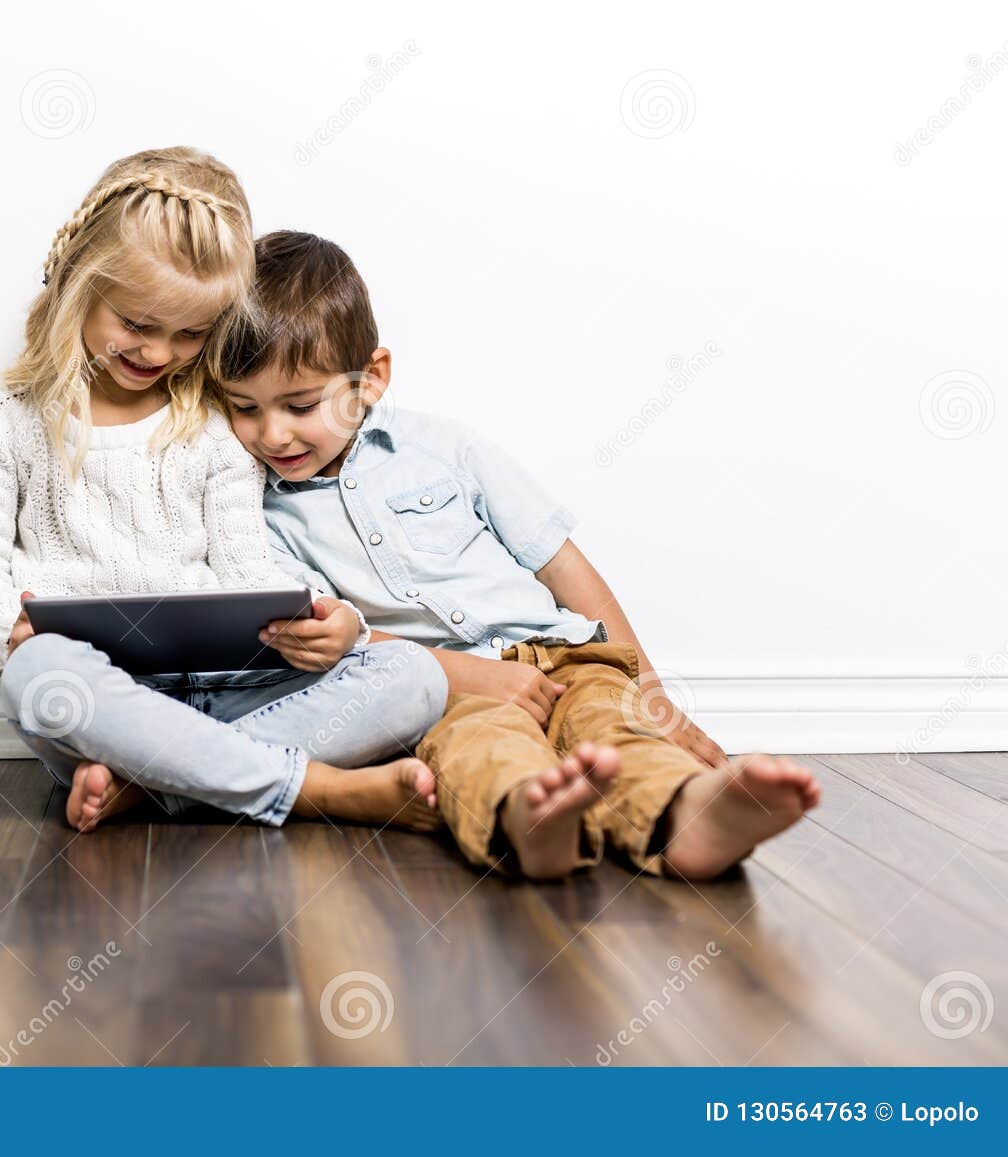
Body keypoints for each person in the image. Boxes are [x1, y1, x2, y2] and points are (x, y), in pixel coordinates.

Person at [218, 230, 820, 879]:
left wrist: (651, 692)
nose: (272, 432)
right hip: (449, 693)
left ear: (371, 379)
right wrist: (469, 676)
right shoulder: (259, 515)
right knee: (480, 750)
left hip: (564, 659)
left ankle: (691, 815)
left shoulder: (445, 450)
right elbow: (344, 637)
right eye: (244, 408)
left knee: (612, 726)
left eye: (300, 404)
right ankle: (532, 820)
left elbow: (561, 564)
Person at [0, 152, 449, 834]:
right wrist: (8, 627)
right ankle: (317, 789)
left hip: (233, 689)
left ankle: (156, 784)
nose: (158, 351)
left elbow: (246, 567)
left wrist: (332, 623)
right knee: (35, 677)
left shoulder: (213, 423)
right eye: (138, 323)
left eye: (191, 333)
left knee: (415, 676)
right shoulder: (9, 415)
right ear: (77, 285)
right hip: (106, 704)